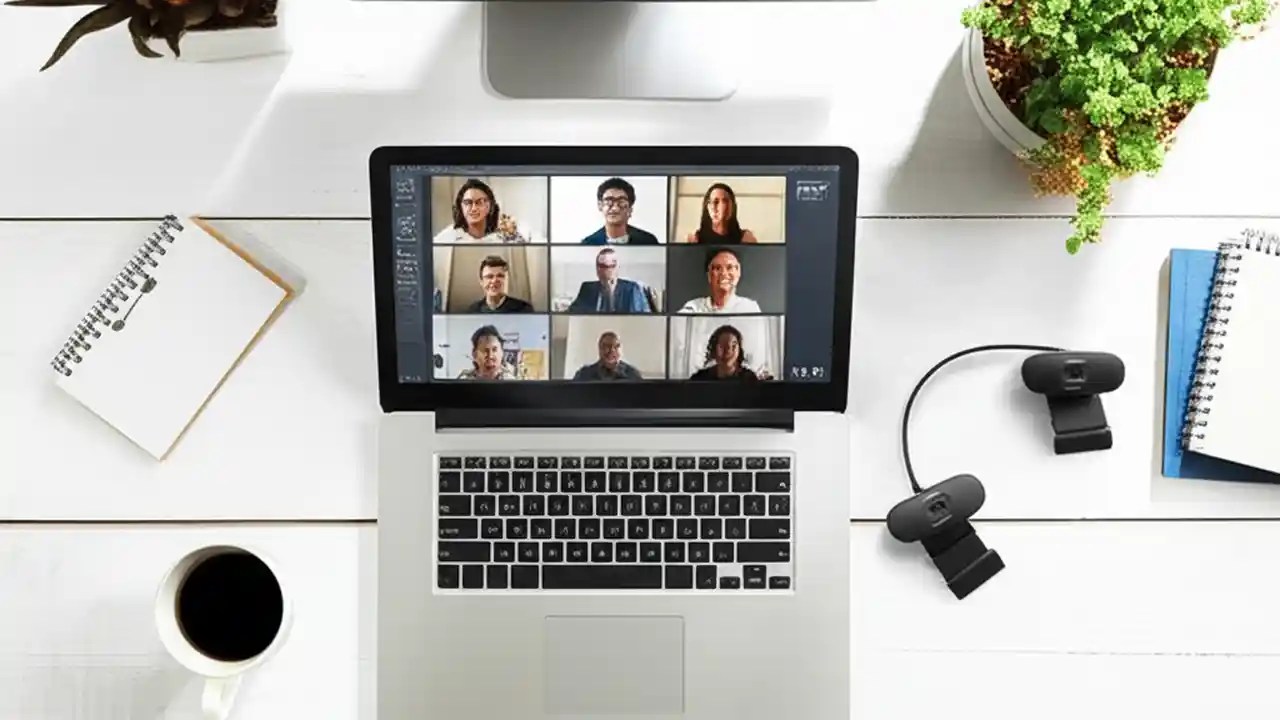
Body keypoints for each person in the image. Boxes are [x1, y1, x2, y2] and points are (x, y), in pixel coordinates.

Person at [433, 178, 530, 244]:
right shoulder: (447, 237)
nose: (474, 208)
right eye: (468, 202)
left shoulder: (504, 235)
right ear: (460, 207)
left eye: (480, 202)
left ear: (490, 205)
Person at [678, 248, 762, 314]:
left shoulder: (750, 308)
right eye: (717, 268)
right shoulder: (693, 309)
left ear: (738, 273)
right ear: (709, 275)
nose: (724, 273)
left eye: (729, 268)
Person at [567, 248, 652, 313]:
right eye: (603, 266)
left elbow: (644, 318)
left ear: (618, 267)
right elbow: (573, 312)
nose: (608, 270)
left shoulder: (632, 289)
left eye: (612, 266)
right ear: (597, 269)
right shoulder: (587, 288)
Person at [580, 177, 660, 245]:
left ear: (630, 209)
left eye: (621, 202)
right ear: (600, 206)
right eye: (609, 201)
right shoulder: (588, 244)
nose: (615, 208)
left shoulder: (648, 242)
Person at [685, 182, 759, 244]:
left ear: (732, 206)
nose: (714, 207)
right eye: (712, 202)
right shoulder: (696, 239)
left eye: (724, 201)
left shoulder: (745, 238)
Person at [465, 255, 534, 313]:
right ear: (481, 281)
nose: (494, 280)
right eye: (489, 276)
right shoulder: (472, 310)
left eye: (500, 276)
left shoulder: (524, 309)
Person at [690, 325, 759, 381]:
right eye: (722, 346)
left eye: (733, 346)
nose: (728, 351)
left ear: (739, 350)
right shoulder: (700, 378)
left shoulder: (749, 378)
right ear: (714, 349)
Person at [572, 331, 644, 380]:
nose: (612, 350)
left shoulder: (632, 374)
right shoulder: (584, 374)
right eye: (607, 346)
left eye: (616, 346)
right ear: (599, 348)